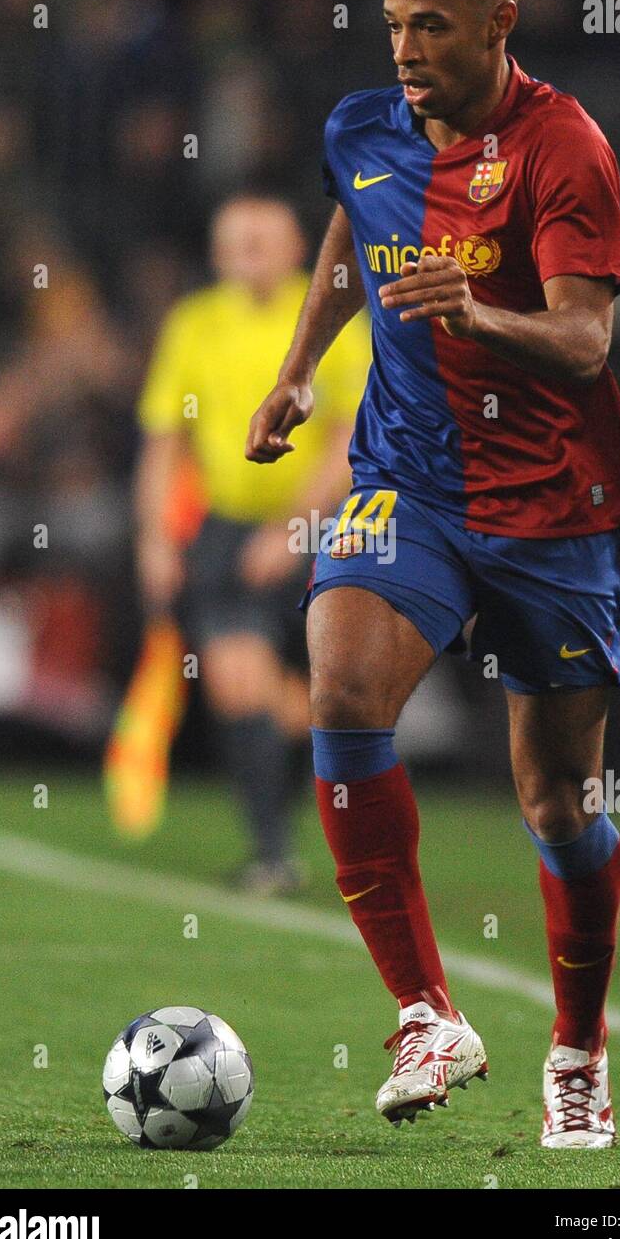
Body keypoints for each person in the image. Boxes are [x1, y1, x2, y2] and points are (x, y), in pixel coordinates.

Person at [246, 0, 620, 1144]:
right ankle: (426, 1010)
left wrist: (473, 309)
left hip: (555, 509)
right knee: (343, 689)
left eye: (429, 26)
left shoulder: (564, 147)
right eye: (391, 25)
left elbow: (587, 341)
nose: (405, 50)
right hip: (407, 479)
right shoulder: (360, 126)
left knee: (558, 804)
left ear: (498, 21)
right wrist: (298, 366)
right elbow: (346, 236)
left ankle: (575, 1052)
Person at [136, 194, 370, 893]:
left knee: (322, 702)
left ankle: (343, 834)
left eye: (261, 240)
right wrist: (153, 537)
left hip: (329, 527)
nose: (247, 253)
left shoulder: (329, 317)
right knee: (238, 686)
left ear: (298, 246)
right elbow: (162, 441)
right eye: (234, 241)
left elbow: (350, 436)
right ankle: (273, 854)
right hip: (226, 526)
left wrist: (291, 528)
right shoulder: (194, 323)